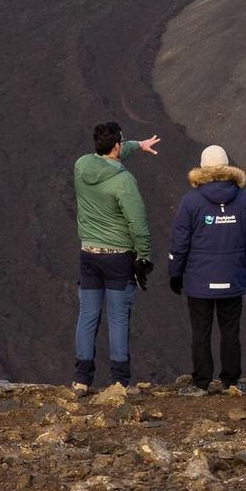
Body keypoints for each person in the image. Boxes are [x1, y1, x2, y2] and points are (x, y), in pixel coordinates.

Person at [166, 144, 246, 396]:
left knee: (201, 331)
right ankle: (232, 381)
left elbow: (180, 242)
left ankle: (201, 382)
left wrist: (175, 273)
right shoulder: (244, 200)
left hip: (199, 281)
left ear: (203, 168)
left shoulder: (191, 201)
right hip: (233, 277)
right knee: (230, 331)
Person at [72, 120, 159, 393]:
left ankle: (82, 379)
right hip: (119, 258)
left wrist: (138, 146)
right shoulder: (123, 181)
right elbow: (138, 223)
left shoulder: (81, 167)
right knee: (118, 317)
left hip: (89, 253)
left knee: (87, 314)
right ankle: (119, 380)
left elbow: (111, 153)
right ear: (117, 146)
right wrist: (143, 256)